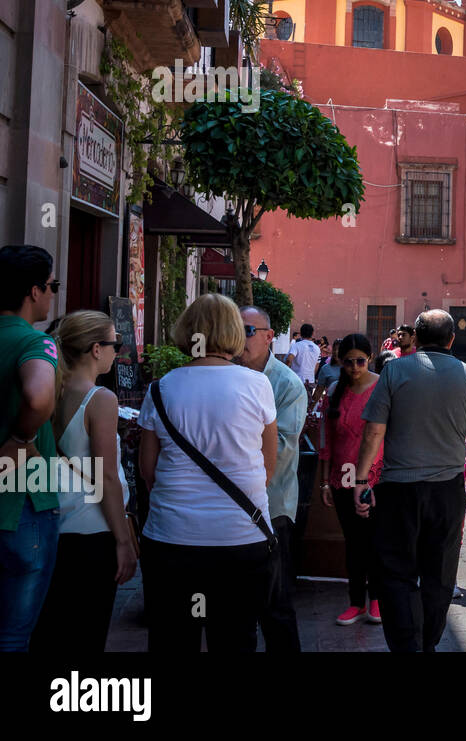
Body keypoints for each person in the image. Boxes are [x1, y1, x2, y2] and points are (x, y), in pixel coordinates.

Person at [137, 294, 278, 652]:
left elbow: (147, 470)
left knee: (172, 638)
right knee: (235, 638)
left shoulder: (161, 388)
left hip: (172, 538)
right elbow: (268, 465)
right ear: (234, 332)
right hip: (241, 537)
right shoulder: (257, 385)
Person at [355, 310, 466, 651]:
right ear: (451, 339)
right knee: (440, 573)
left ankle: (406, 644)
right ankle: (427, 643)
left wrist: (360, 479)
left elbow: (373, 430)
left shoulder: (394, 371)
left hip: (399, 490)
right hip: (447, 491)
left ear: (415, 338)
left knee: (395, 571)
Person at [29, 311, 135, 652]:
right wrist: (123, 540)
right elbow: (106, 476)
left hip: (47, 524)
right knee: (86, 632)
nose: (117, 351)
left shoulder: (46, 391)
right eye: (114, 344)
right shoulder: (100, 399)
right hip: (91, 532)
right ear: (95, 349)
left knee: (50, 629)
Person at [0, 245, 60, 651]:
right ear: (35, 292)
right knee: (13, 636)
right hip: (23, 499)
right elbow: (39, 396)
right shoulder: (36, 343)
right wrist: (21, 439)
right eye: (52, 286)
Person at [236, 305, 307, 651]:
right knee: (237, 608)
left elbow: (280, 447)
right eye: (235, 329)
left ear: (268, 337)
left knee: (275, 604)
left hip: (271, 505)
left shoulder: (286, 384)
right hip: (231, 508)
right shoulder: (228, 374)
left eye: (248, 331)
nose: (240, 337)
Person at [319, 333, 383, 625]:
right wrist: (324, 481)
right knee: (353, 542)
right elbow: (327, 441)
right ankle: (356, 602)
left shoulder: (383, 388)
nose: (355, 367)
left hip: (375, 479)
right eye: (348, 362)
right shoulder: (334, 391)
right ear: (339, 362)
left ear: (369, 358)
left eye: (360, 361)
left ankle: (377, 600)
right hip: (341, 479)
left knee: (375, 541)